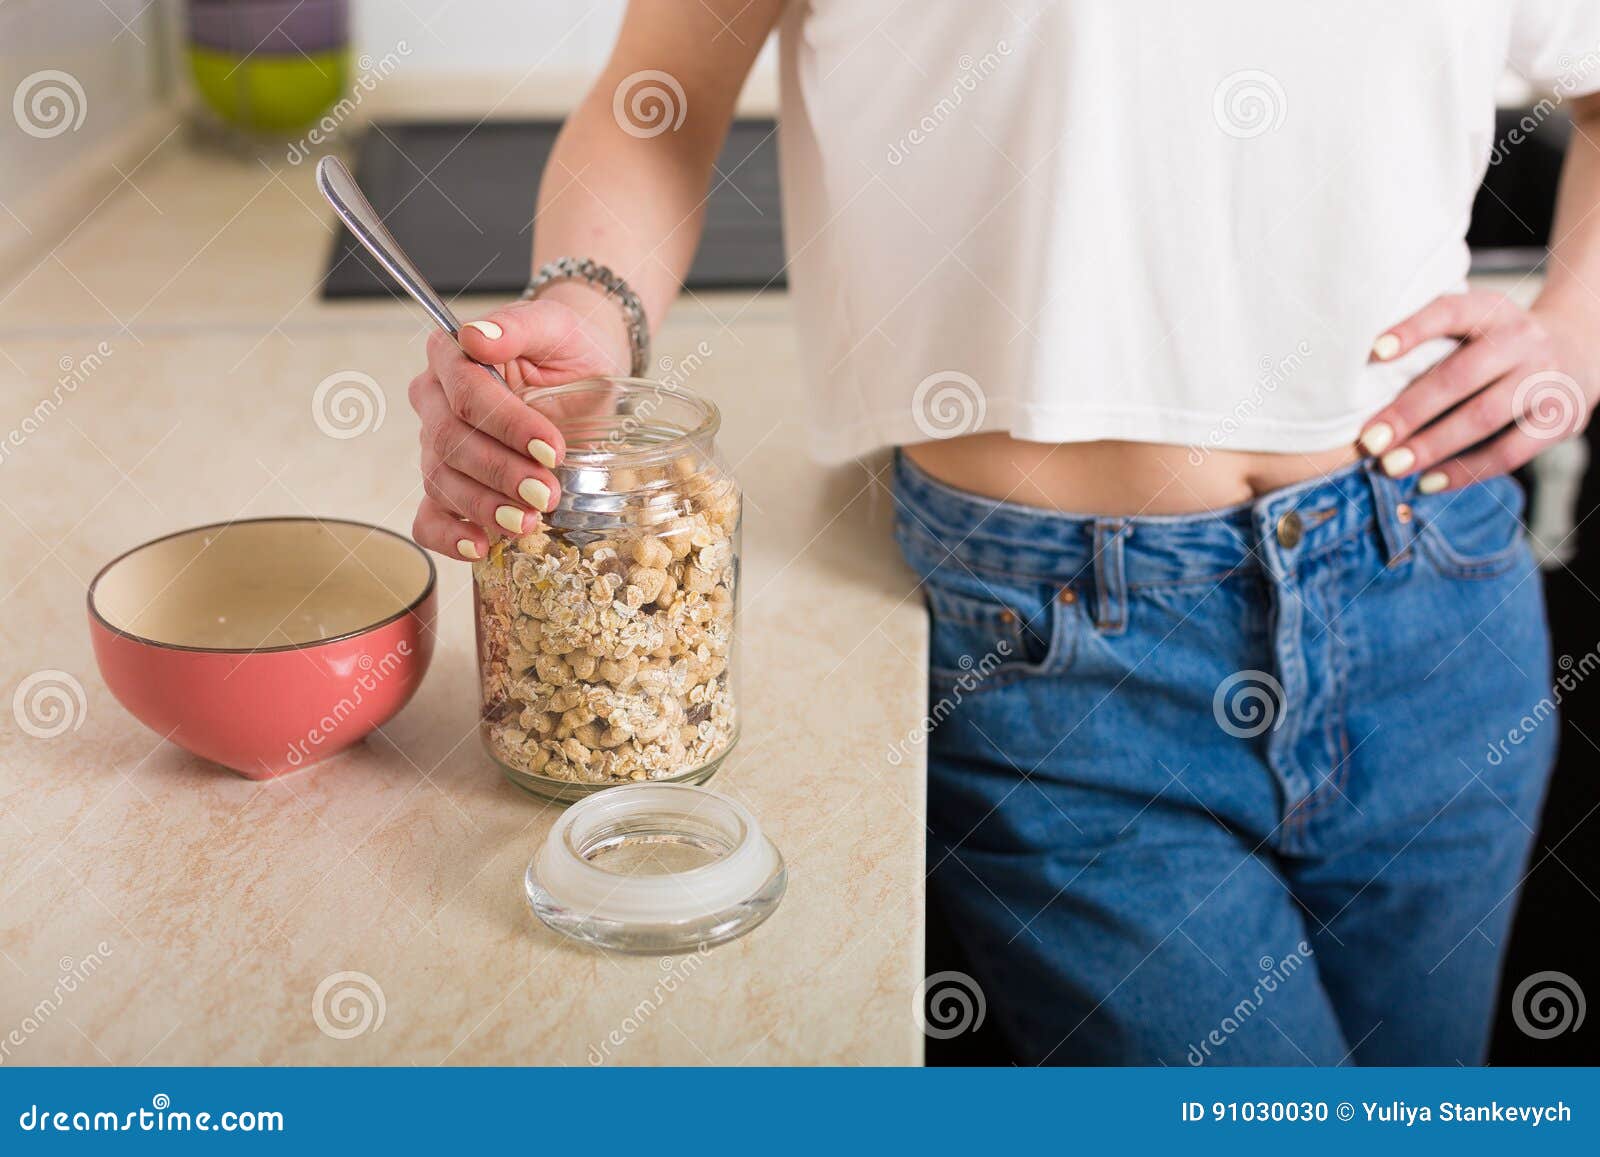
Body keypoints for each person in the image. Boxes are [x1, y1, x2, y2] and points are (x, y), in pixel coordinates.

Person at [405, 1, 1600, 1065]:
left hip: (1433, 595)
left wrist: (1576, 331)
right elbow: (660, 95)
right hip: (1054, 657)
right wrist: (586, 310)